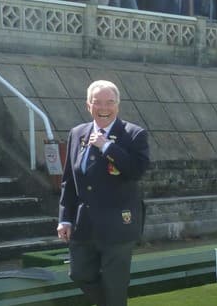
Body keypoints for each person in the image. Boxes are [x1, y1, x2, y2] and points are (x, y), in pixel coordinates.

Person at [57, 80, 150, 306]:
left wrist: (107, 147)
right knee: (78, 274)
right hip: (84, 224)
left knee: (114, 285)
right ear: (88, 105)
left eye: (109, 102)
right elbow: (69, 181)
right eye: (97, 102)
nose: (103, 108)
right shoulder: (77, 133)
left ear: (118, 105)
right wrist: (65, 219)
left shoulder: (133, 134)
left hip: (118, 225)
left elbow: (136, 171)